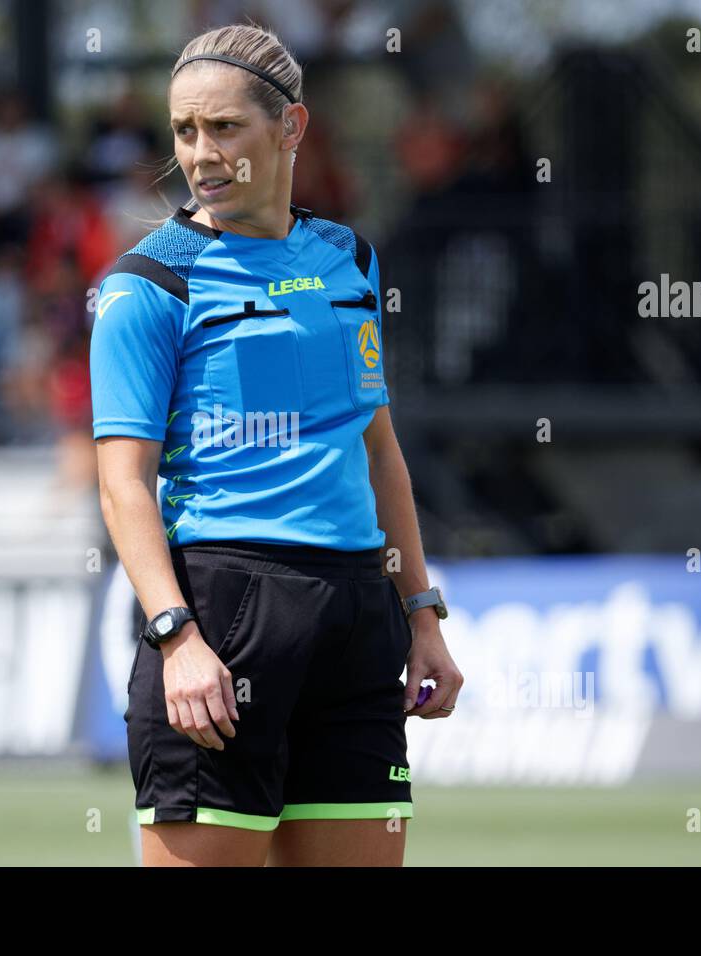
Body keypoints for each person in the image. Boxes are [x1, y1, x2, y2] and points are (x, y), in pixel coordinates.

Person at [90, 24, 464, 867]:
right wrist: (176, 637)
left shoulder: (348, 258)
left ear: (290, 129)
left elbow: (378, 452)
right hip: (220, 616)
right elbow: (123, 486)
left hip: (355, 617)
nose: (200, 153)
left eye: (224, 128)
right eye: (185, 131)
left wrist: (421, 614)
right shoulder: (149, 283)